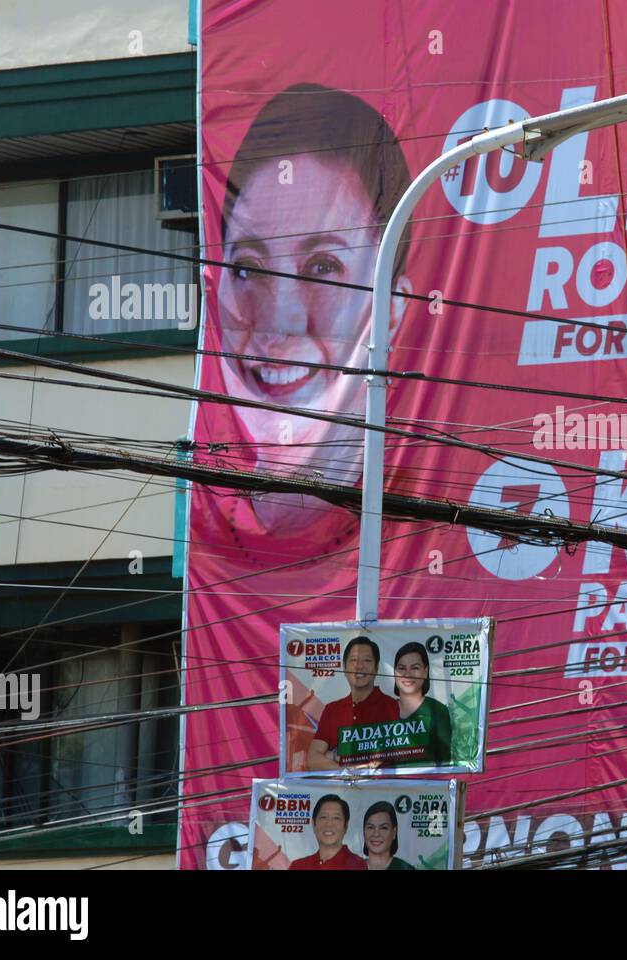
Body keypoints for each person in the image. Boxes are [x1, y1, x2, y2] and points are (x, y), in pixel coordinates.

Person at [214, 83, 412, 541]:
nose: (280, 320)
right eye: (247, 269)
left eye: (323, 267)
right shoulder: (206, 533)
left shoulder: (433, 522)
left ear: (391, 307)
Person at [308, 636, 399, 770]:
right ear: (344, 668)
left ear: (376, 668)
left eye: (367, 660)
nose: (359, 665)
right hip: (342, 789)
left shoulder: (394, 707)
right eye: (353, 660)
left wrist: (331, 755)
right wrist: (348, 772)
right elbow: (313, 760)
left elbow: (405, 756)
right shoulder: (332, 710)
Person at [393, 641, 453, 766]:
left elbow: (444, 761)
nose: (407, 674)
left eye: (415, 668)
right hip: (386, 784)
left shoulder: (437, 710)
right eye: (401, 668)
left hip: (426, 783)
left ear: (425, 672)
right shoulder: (382, 709)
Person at [289, 794, 366, 870]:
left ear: (345, 826)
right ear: (313, 824)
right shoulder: (298, 866)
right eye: (323, 817)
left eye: (336, 818)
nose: (329, 824)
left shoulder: (358, 865)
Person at [362, 800, 417, 871]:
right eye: (371, 827)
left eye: (383, 828)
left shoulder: (405, 868)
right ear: (364, 831)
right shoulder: (351, 866)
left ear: (394, 832)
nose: (376, 834)